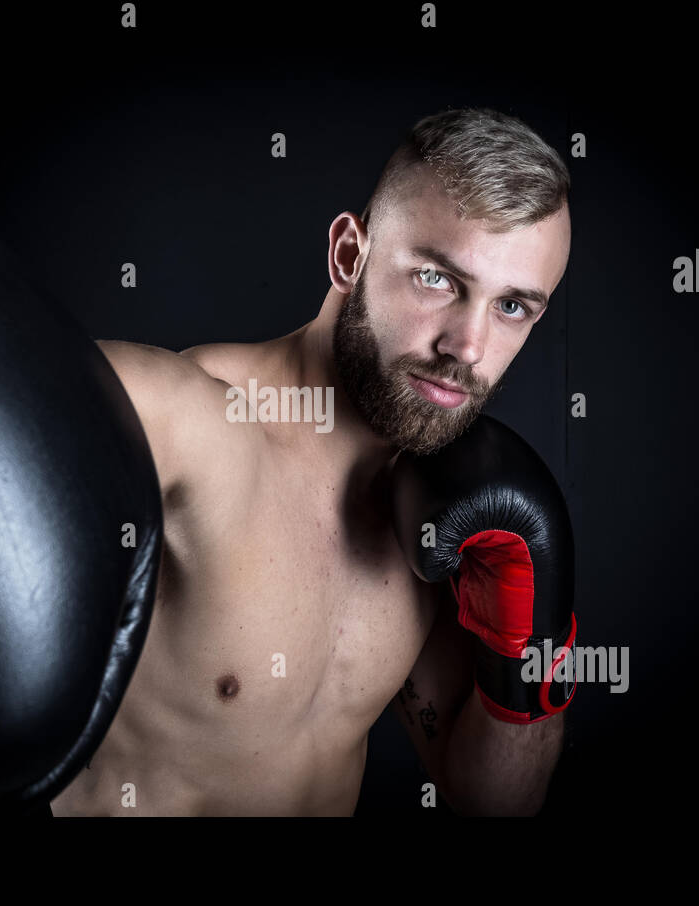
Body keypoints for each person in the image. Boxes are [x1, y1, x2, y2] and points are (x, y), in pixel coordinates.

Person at [50, 107, 575, 816]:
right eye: (437, 280)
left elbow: (495, 801)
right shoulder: (189, 420)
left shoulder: (439, 512)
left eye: (512, 306)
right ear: (348, 255)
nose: (469, 346)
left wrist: (530, 648)